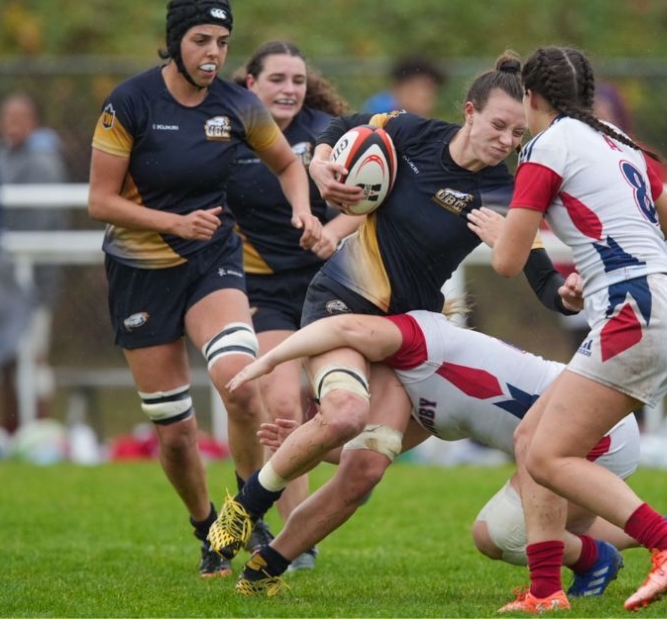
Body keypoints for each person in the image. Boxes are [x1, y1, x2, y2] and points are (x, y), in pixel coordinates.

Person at [207, 51, 583, 596]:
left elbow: (544, 279)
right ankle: (245, 508)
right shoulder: (410, 133)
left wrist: (568, 297)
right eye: (498, 125)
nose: (506, 140)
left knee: (364, 470)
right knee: (345, 413)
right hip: (341, 300)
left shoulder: (506, 190)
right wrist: (319, 166)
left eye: (518, 133)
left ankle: (265, 569)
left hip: (412, 329)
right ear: (470, 112)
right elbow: (340, 130)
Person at [224, 309, 667, 598]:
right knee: (513, 528)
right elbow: (374, 452)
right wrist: (305, 444)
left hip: (593, 432)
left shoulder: (417, 339)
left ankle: (602, 560)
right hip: (571, 436)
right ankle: (655, 538)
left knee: (498, 534)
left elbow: (347, 329)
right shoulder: (408, 396)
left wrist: (269, 359)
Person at [86, 0, 321, 577]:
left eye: (222, 43)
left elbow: (289, 164)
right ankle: (205, 525)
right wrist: (172, 222)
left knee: (243, 388)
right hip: (141, 274)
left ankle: (247, 512)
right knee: (176, 434)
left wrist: (304, 210)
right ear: (175, 42)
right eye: (200, 41)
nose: (212, 53)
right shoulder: (130, 102)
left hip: (211, 261)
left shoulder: (237, 105)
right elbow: (99, 201)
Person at [483, 46, 667, 613]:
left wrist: (497, 231)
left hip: (636, 310)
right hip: (660, 300)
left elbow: (509, 261)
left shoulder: (546, 144)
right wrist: (599, 264)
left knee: (550, 457)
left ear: (531, 98)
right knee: (532, 439)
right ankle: (545, 592)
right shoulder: (619, 139)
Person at [228, 39, 362, 570]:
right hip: (262, 292)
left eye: (297, 80)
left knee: (362, 417)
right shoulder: (228, 135)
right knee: (282, 405)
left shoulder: (329, 135)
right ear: (250, 84)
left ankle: (351, 473)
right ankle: (297, 537)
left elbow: (371, 201)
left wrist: (331, 231)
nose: (288, 89)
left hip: (328, 288)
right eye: (277, 79)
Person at [0, 92, 68, 433]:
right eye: (6, 117)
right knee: (5, 359)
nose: (12, 125)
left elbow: (41, 224)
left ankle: (38, 429)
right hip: (1, 283)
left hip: (33, 285)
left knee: (34, 355)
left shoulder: (42, 163)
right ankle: (11, 430)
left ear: (34, 122)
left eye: (20, 118)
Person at [362, 54, 446, 116]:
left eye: (432, 89)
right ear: (398, 87)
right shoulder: (379, 119)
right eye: (422, 87)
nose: (426, 95)